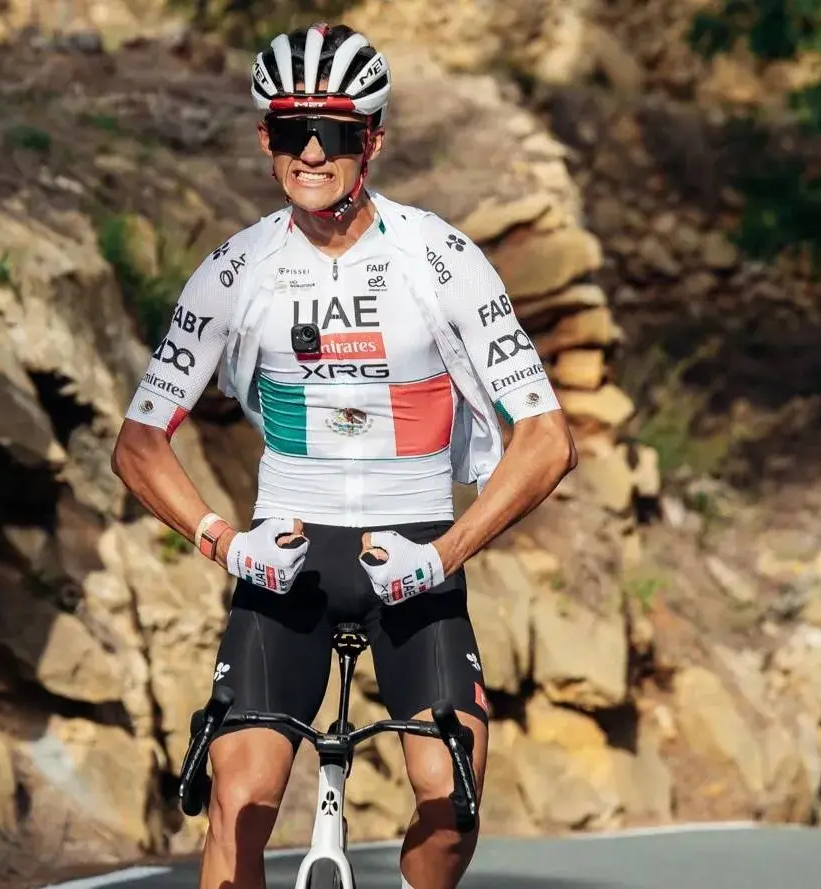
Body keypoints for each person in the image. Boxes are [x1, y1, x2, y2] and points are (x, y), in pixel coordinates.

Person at [111, 22, 577, 889]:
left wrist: (443, 554)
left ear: (374, 141)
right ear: (267, 138)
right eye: (294, 131)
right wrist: (224, 542)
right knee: (236, 799)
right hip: (286, 559)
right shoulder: (235, 269)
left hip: (416, 556)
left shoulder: (440, 260)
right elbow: (138, 443)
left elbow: (547, 439)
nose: (314, 152)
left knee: (452, 801)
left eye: (336, 132)